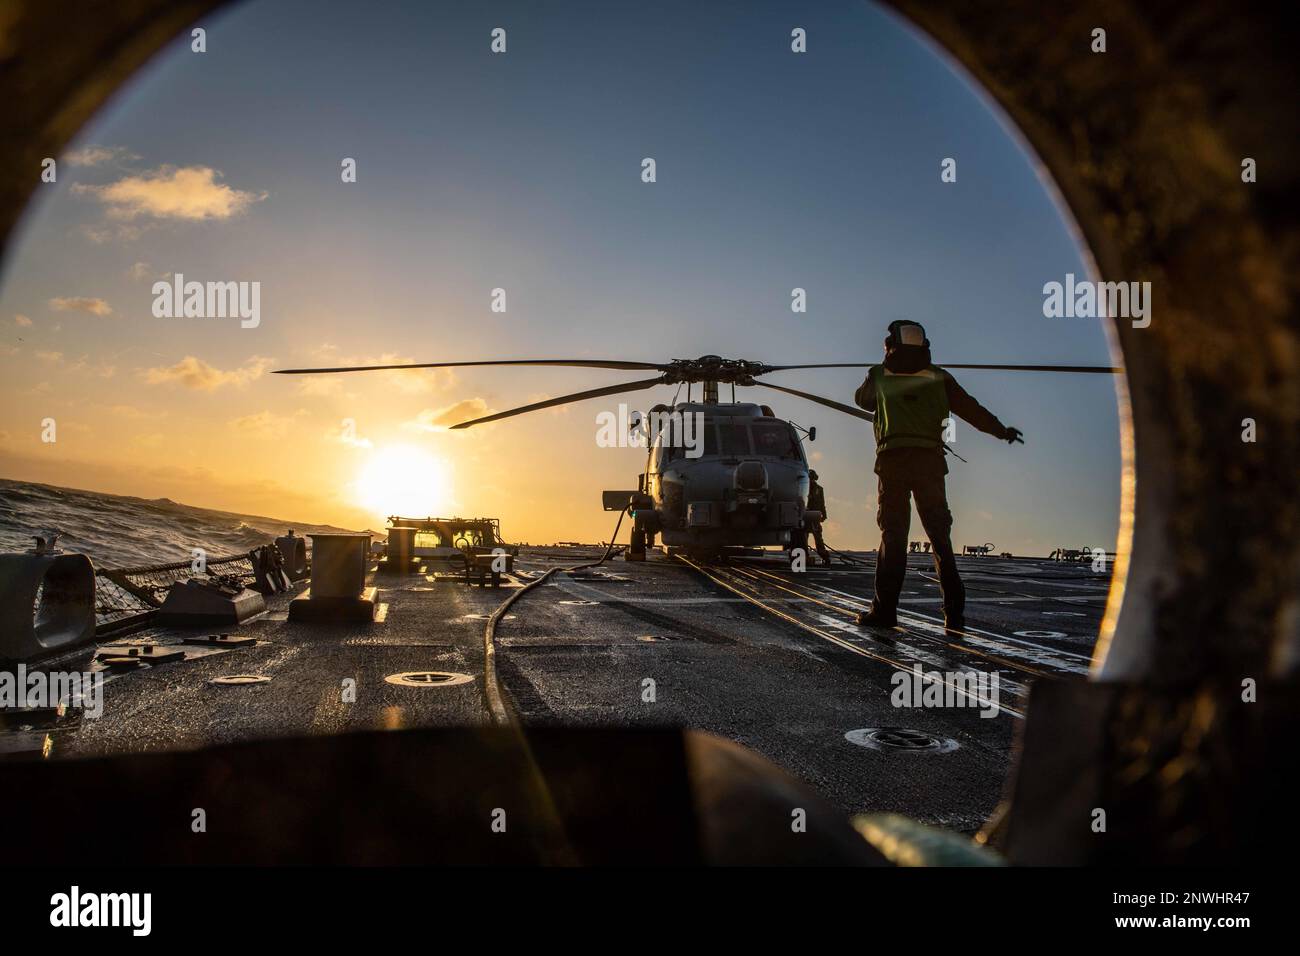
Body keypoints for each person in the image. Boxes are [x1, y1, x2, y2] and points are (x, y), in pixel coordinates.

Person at [852, 321, 1023, 633]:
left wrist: (873, 376)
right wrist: (1003, 432)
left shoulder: (879, 374)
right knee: (940, 539)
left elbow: (862, 400)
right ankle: (954, 616)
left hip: (893, 464)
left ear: (891, 345)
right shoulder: (940, 377)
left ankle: (885, 611)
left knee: (893, 537)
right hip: (930, 464)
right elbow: (973, 411)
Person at [804, 470, 832, 565]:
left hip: (815, 517)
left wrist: (824, 515)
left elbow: (822, 504)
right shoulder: (804, 488)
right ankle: (803, 557)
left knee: (819, 540)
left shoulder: (819, 490)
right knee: (803, 539)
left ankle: (825, 557)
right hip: (805, 516)